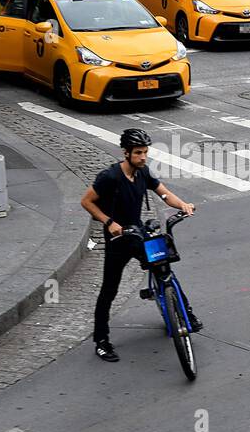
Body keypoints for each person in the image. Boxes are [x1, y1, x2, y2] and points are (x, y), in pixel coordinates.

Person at [80, 128, 197, 363]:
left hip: (138, 233)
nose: (143, 157)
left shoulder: (143, 173)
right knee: (109, 290)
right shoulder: (110, 177)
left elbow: (164, 194)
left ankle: (187, 316)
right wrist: (109, 222)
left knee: (164, 267)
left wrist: (182, 205)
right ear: (126, 153)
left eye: (145, 152)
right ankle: (101, 341)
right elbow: (86, 201)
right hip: (118, 239)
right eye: (138, 153)